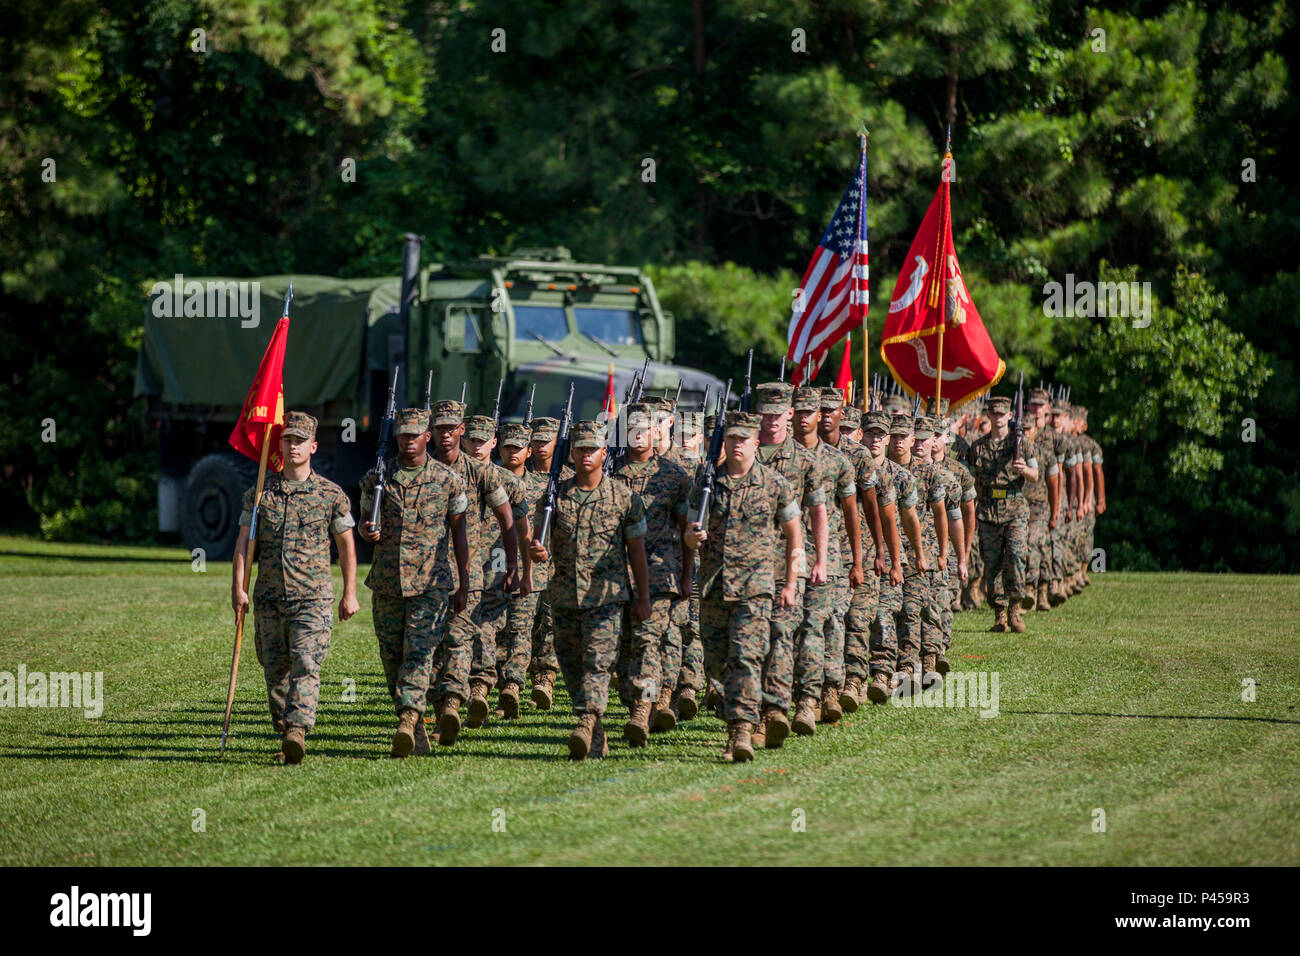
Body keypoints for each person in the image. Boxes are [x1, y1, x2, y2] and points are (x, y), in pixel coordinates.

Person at [232, 411, 359, 764]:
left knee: (305, 663)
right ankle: (285, 725)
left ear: (313, 446)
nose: (293, 446)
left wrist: (350, 592)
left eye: (300, 440)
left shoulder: (331, 495)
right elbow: (243, 543)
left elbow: (347, 544)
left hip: (313, 599)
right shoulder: (259, 494)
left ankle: (297, 731)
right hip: (269, 599)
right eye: (287, 440)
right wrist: (238, 588)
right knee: (274, 671)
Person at [685, 410, 802, 763]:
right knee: (718, 663)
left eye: (743, 439)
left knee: (745, 658)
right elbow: (690, 537)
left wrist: (791, 583)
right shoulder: (706, 484)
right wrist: (692, 537)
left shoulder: (774, 484)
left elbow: (795, 536)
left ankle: (740, 734)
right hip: (713, 587)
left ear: (756, 443)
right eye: (731, 439)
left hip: (755, 589)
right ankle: (749, 711)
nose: (736, 445)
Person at [528, 420, 650, 759]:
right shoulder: (555, 497)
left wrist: (642, 597)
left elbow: (636, 551)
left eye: (592, 449)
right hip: (564, 597)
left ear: (603, 452)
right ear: (571, 452)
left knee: (598, 663)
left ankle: (586, 720)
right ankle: (596, 734)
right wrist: (536, 551)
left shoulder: (624, 498)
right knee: (572, 667)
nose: (586, 454)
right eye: (580, 448)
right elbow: (539, 542)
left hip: (607, 598)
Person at [359, 408, 470, 755]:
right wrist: (367, 531)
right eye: (403, 435)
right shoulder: (377, 478)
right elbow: (366, 522)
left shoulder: (448, 480)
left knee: (420, 654)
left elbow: (460, 534)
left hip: (431, 584)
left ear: (427, 436)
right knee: (392, 657)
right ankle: (416, 723)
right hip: (388, 583)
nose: (409, 441)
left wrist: (464, 580)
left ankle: (407, 719)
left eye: (415, 435)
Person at [425, 400, 518, 729]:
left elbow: (509, 515)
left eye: (452, 428)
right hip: (425, 576)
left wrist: (513, 565)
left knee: (461, 639)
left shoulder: (481, 472)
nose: (446, 434)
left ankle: (454, 701)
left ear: (460, 430)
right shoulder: (421, 469)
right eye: (440, 428)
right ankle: (439, 713)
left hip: (470, 571)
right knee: (431, 648)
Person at [613, 403, 693, 742]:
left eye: (644, 427)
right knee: (624, 650)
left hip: (660, 573)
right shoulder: (610, 475)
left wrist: (687, 575)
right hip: (617, 576)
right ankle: (649, 697)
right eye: (631, 428)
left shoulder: (674, 477)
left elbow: (687, 532)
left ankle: (642, 710)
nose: (639, 434)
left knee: (647, 644)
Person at [754, 382, 826, 746]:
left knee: (781, 634)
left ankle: (774, 711)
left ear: (789, 416)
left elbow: (818, 512)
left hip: (788, 560)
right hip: (746, 562)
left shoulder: (803, 459)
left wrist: (820, 559)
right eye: (764, 415)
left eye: (777, 416)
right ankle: (752, 712)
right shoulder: (740, 453)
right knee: (750, 642)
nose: (771, 423)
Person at [460, 414, 532, 725]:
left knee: (493, 629)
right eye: (471, 440)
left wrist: (523, 570)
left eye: (482, 441)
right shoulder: (450, 477)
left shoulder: (511, 484)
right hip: (458, 570)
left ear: (493, 443)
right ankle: (465, 691)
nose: (476, 447)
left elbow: (522, 530)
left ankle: (483, 687)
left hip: (496, 567)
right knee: (467, 633)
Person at [888, 414, 949, 691]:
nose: (900, 441)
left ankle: (924, 663)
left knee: (917, 609)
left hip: (920, 552)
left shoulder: (929, 473)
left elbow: (940, 514)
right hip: (891, 550)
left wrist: (941, 552)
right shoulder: (882, 470)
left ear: (912, 439)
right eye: (895, 436)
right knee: (896, 612)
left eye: (904, 436)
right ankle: (905, 667)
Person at [969, 396, 1039, 633]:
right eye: (994, 414)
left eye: (1002, 414)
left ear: (1010, 416)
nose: (998, 418)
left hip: (1015, 508)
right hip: (988, 510)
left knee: (1017, 555)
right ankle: (999, 614)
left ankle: (1015, 608)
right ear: (988, 415)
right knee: (992, 563)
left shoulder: (1021, 443)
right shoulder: (978, 447)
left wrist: (1024, 470)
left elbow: (1036, 475)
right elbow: (971, 481)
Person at [523, 416, 569, 708]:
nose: (541, 447)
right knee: (524, 622)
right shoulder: (518, 477)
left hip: (557, 561)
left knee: (552, 623)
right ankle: (513, 679)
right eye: (536, 441)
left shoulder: (568, 480)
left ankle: (545, 678)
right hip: (524, 561)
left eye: (547, 441)